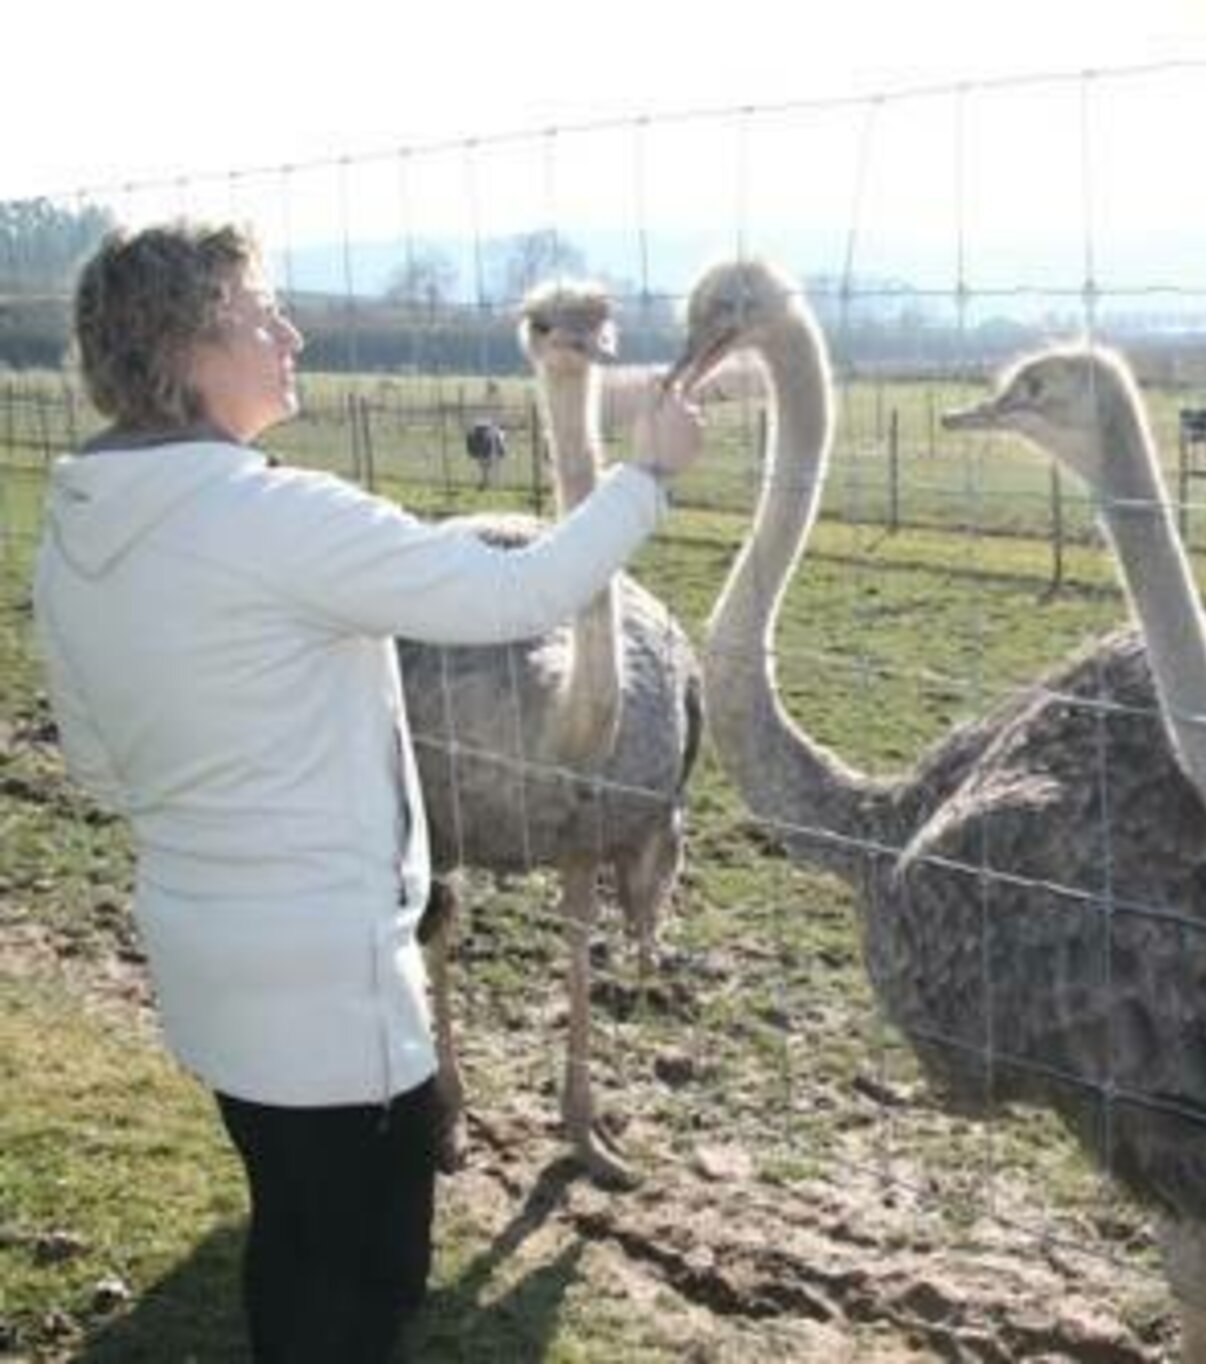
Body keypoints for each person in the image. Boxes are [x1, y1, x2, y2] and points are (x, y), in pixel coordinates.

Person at [31, 220, 703, 1363]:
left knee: (290, 1231)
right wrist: (647, 475)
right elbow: (520, 591)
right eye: (262, 313)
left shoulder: (75, 522)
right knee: (369, 1271)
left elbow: (98, 765)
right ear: (188, 347)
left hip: (202, 964)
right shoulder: (275, 519)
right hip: (331, 995)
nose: (291, 332)